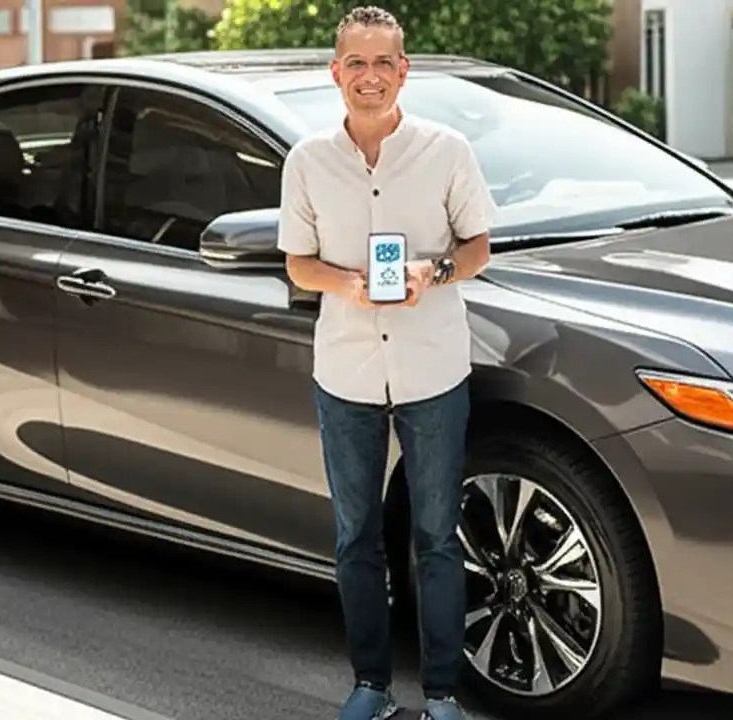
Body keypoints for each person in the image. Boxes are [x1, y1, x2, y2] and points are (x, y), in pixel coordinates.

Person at [275, 6, 496, 720]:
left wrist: (434, 272)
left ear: (404, 71)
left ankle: (442, 695)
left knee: (436, 537)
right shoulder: (308, 161)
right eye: (356, 63)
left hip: (433, 369)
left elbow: (479, 248)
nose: (369, 77)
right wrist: (349, 284)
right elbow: (298, 264)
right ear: (335, 72)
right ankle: (370, 685)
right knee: (356, 537)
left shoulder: (446, 150)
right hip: (346, 373)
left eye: (382, 63)